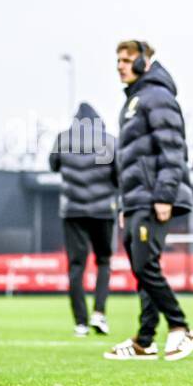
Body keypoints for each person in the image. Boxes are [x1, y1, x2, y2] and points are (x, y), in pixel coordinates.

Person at [105, 40, 193, 361]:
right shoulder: (134, 101)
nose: (120, 65)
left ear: (145, 62)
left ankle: (181, 327)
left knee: (145, 265)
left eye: (127, 59)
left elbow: (172, 150)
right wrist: (124, 204)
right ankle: (144, 340)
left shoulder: (158, 97)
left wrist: (163, 196)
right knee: (142, 269)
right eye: (117, 59)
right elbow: (127, 161)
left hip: (152, 198)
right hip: (135, 201)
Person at [48, 102, 118, 337]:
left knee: (76, 267)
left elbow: (53, 166)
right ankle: (99, 313)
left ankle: (80, 323)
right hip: (102, 211)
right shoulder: (108, 141)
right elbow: (118, 176)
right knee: (104, 261)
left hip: (73, 211)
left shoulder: (62, 139)